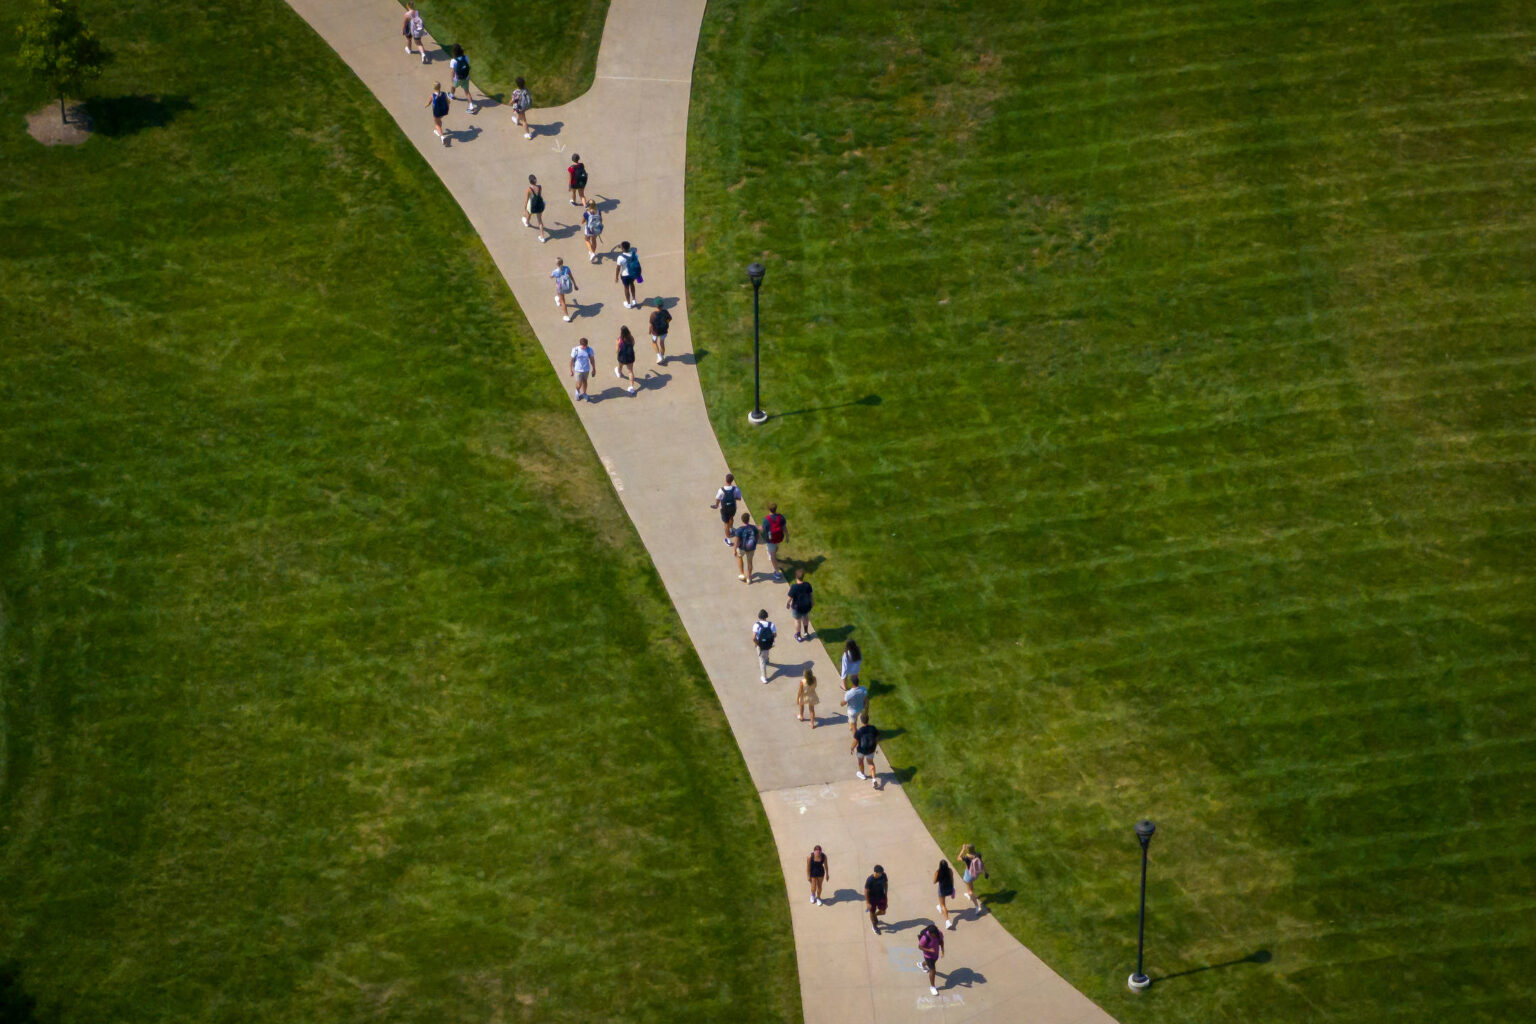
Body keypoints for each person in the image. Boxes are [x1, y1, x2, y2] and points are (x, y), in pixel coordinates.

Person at [711, 473, 741, 542]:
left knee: (726, 523)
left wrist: (716, 505)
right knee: (731, 518)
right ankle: (731, 528)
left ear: (726, 480)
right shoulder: (736, 489)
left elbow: (717, 499)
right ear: (732, 481)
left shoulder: (721, 490)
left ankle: (728, 536)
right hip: (733, 508)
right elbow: (739, 498)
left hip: (724, 509)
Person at [917, 923, 945, 996]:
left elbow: (941, 941)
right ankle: (932, 987)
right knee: (933, 970)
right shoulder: (925, 937)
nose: (933, 936)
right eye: (932, 935)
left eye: (934, 935)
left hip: (935, 954)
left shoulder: (939, 933)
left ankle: (921, 964)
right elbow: (920, 947)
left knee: (931, 963)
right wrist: (929, 950)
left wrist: (943, 950)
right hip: (928, 955)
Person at [957, 843, 989, 908]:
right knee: (970, 883)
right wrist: (986, 872)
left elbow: (958, 858)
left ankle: (977, 907)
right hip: (976, 874)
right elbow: (982, 864)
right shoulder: (978, 855)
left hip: (969, 874)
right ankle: (970, 896)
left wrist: (962, 850)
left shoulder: (966, 857)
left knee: (970, 890)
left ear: (968, 849)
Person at [786, 568, 813, 640]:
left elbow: (790, 597)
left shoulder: (794, 587)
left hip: (797, 608)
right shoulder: (807, 585)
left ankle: (798, 636)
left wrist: (787, 603)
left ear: (796, 577)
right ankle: (806, 633)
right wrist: (812, 602)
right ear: (803, 576)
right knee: (805, 617)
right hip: (806, 606)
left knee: (797, 620)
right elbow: (811, 595)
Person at [448, 44, 477, 112]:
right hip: (466, 78)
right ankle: (471, 106)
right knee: (467, 92)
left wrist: (452, 79)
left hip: (457, 79)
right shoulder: (465, 57)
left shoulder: (453, 60)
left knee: (453, 86)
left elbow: (452, 72)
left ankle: (451, 95)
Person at [762, 502, 787, 580]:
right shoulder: (781, 517)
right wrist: (787, 536)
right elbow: (784, 527)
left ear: (769, 509)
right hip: (778, 537)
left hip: (770, 539)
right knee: (775, 548)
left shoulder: (766, 519)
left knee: (773, 556)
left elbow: (763, 529)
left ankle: (777, 572)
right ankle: (771, 552)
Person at [851, 713, 879, 783]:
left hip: (861, 750)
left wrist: (852, 748)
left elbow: (855, 742)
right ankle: (873, 779)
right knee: (870, 763)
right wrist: (875, 747)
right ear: (868, 720)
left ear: (861, 721)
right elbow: (877, 738)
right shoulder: (873, 728)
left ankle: (862, 774)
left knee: (860, 761)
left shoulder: (859, 731)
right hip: (871, 749)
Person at [614, 241, 642, 309]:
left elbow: (618, 268)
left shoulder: (620, 257)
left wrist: (616, 277)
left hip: (625, 276)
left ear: (623, 248)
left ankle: (628, 304)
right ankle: (634, 300)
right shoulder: (634, 254)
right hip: (633, 274)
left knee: (626, 288)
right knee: (632, 285)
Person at [733, 512, 759, 582]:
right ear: (748, 519)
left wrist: (734, 549)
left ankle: (742, 574)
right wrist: (755, 543)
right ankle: (749, 578)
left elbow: (736, 541)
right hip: (751, 547)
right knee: (750, 562)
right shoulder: (754, 528)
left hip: (742, 547)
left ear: (742, 520)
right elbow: (757, 536)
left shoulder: (739, 530)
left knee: (739, 557)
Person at [751, 610, 776, 684]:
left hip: (761, 644)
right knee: (767, 650)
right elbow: (775, 635)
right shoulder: (771, 624)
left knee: (762, 661)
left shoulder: (756, 625)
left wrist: (756, 643)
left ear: (759, 616)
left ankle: (764, 677)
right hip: (769, 643)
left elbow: (753, 637)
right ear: (766, 616)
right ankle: (767, 660)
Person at [551, 257, 578, 322]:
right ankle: (558, 299)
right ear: (562, 263)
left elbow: (551, 276)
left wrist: (551, 276)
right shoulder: (567, 268)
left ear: (556, 264)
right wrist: (575, 285)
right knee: (560, 297)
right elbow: (571, 277)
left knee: (563, 301)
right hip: (567, 286)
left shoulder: (555, 272)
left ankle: (566, 316)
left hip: (559, 287)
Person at [864, 865, 889, 935]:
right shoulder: (870, 880)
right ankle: (874, 926)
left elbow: (886, 884)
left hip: (881, 896)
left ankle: (874, 915)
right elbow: (866, 891)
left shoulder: (883, 875)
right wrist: (867, 902)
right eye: (880, 873)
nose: (881, 874)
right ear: (875, 872)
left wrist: (886, 894)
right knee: (872, 912)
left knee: (883, 911)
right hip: (872, 898)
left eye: (882, 873)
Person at [569, 337, 595, 401]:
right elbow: (571, 361)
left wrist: (594, 369)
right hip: (578, 370)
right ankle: (577, 391)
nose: (584, 347)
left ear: (587, 345)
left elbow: (592, 360)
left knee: (585, 381)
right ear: (580, 344)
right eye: (583, 346)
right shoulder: (575, 350)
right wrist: (570, 370)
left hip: (586, 369)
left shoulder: (589, 350)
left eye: (585, 346)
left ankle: (584, 393)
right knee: (579, 384)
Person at [523, 175, 548, 242]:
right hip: (539, 205)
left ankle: (527, 223)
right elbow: (539, 195)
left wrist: (524, 210)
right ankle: (542, 237)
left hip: (532, 206)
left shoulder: (528, 189)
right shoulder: (540, 187)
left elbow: (526, 200)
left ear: (529, 181)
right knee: (540, 221)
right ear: (535, 180)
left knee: (529, 213)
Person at [613, 325, 637, 395]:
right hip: (630, 356)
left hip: (622, 356)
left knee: (620, 366)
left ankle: (619, 373)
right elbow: (633, 344)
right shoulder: (631, 338)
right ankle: (631, 387)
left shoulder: (620, 339)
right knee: (630, 371)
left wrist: (617, 354)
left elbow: (617, 350)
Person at [934, 859, 957, 929]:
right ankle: (940, 907)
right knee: (942, 904)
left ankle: (948, 921)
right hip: (949, 888)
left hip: (942, 890)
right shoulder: (950, 870)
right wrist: (952, 887)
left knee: (943, 905)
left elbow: (934, 881)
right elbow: (952, 878)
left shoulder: (938, 872)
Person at [581, 200, 604, 264]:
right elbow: (601, 220)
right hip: (597, 228)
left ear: (588, 205)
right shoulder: (598, 211)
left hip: (589, 229)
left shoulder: (587, 213)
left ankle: (592, 253)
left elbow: (582, 222)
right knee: (594, 240)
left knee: (586, 239)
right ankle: (593, 253)